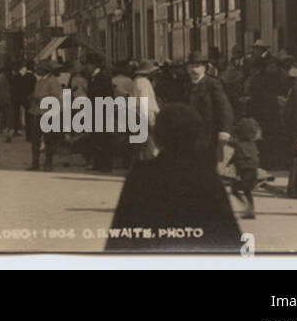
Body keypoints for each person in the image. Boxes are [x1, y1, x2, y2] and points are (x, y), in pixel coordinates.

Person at [105, 103, 242, 253]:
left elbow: (119, 238)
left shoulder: (140, 175)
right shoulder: (206, 177)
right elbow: (230, 240)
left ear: (157, 136)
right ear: (196, 137)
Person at [185, 52, 233, 165]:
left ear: (204, 68)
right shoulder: (185, 86)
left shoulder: (212, 84)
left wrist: (224, 131)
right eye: (191, 66)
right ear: (187, 68)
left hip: (209, 134)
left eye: (197, 66)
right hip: (190, 135)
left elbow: (224, 108)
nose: (194, 69)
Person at [29, 59, 64, 171]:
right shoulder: (40, 81)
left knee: (48, 140)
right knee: (35, 140)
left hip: (48, 114)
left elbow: (55, 98)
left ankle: (48, 163)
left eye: (38, 68)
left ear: (44, 70)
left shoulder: (52, 82)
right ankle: (35, 162)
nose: (36, 69)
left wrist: (39, 98)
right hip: (38, 113)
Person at [226, 117, 261, 220]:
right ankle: (249, 209)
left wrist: (237, 174)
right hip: (252, 170)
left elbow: (230, 144)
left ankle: (249, 209)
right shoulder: (252, 144)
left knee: (236, 190)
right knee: (247, 191)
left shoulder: (238, 144)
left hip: (245, 170)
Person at [85, 56, 114, 171]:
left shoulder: (103, 76)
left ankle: (106, 164)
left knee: (104, 138)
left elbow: (109, 94)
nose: (86, 67)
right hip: (94, 110)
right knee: (96, 138)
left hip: (102, 110)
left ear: (93, 65)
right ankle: (98, 163)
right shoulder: (92, 77)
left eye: (88, 64)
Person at [131, 61, 161, 164]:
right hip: (144, 114)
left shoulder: (136, 81)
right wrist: (150, 119)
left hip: (138, 114)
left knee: (140, 143)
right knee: (148, 143)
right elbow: (145, 101)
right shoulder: (144, 82)